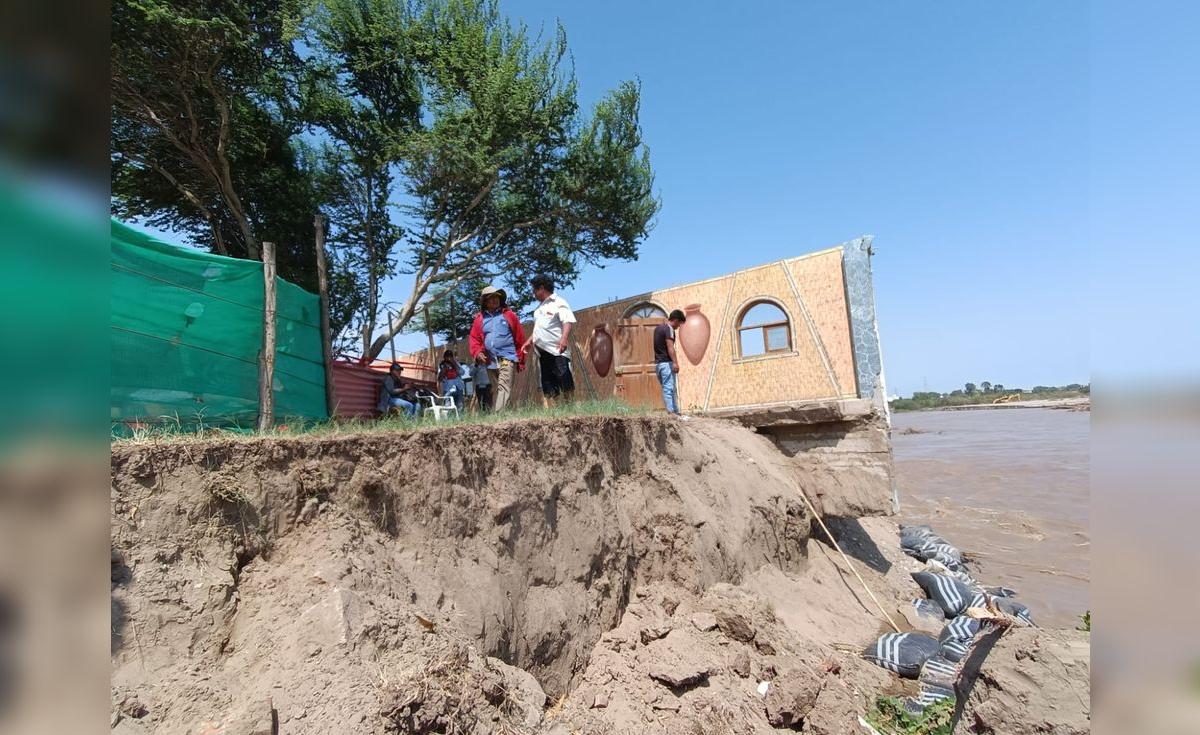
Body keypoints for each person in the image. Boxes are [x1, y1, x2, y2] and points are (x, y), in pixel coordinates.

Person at [468, 285, 526, 411]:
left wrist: (520, 358)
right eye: (491, 298)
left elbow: (520, 336)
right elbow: (474, 339)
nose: (495, 300)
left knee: (504, 386)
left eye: (497, 297)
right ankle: (509, 416)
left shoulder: (509, 315)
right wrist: (477, 353)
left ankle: (498, 415)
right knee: (498, 388)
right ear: (485, 302)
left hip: (507, 357)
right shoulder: (479, 319)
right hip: (490, 361)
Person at [521, 274, 576, 406]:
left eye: (534, 289)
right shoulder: (538, 309)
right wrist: (529, 341)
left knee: (564, 378)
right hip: (543, 352)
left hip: (557, 350)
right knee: (548, 382)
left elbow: (567, 321)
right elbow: (539, 329)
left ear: (541, 288)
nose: (533, 293)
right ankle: (555, 410)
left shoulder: (559, 302)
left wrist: (564, 339)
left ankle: (570, 407)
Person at [654, 309, 688, 416]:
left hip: (659, 364)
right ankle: (672, 413)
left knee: (668, 388)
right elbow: (670, 347)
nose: (678, 327)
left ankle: (675, 412)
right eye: (679, 324)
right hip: (666, 364)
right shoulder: (669, 329)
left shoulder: (658, 328)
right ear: (676, 320)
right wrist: (675, 363)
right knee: (669, 389)